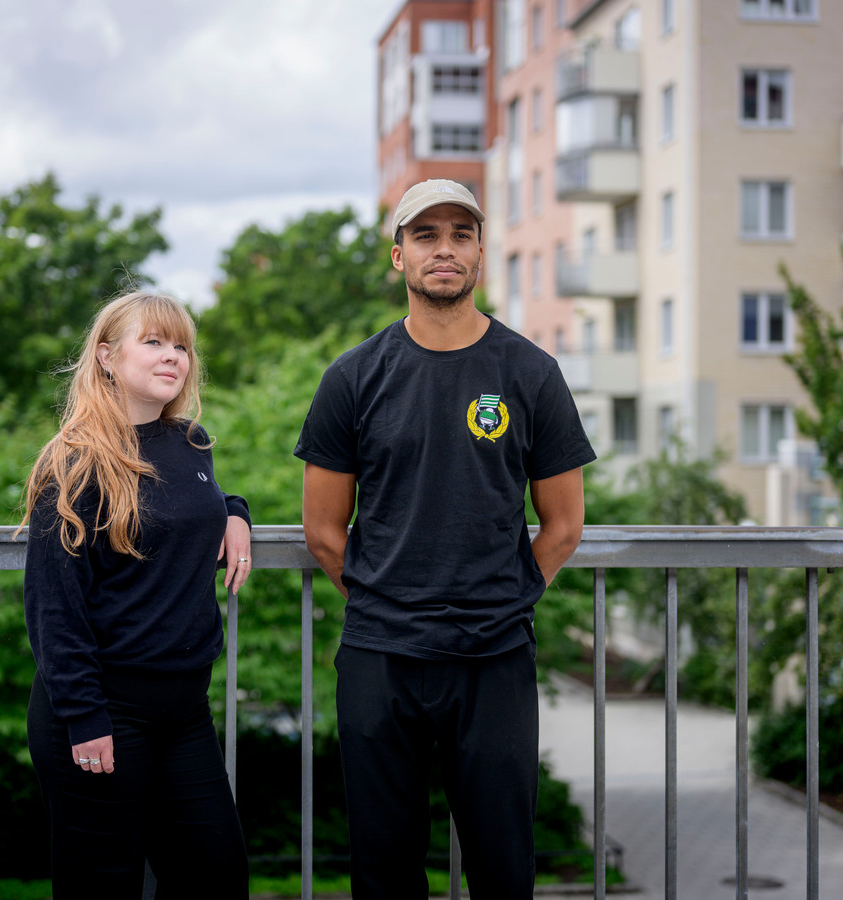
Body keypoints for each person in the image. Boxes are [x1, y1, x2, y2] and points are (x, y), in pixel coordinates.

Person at [295, 180, 596, 898]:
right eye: (426, 235)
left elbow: (564, 525)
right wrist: (386, 597)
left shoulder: (530, 373)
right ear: (399, 255)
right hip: (380, 655)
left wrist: (504, 599)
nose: (445, 249)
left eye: (461, 234)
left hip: (493, 656)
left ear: (482, 254)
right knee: (384, 870)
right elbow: (322, 529)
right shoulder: (353, 377)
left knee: (502, 867)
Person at [21, 290, 250, 898]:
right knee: (103, 888)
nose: (173, 356)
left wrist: (234, 511)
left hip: (184, 711)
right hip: (102, 710)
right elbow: (53, 606)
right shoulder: (76, 462)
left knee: (217, 878)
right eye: (153, 342)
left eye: (181, 345)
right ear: (105, 357)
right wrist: (85, 717)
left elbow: (189, 502)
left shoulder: (190, 442)